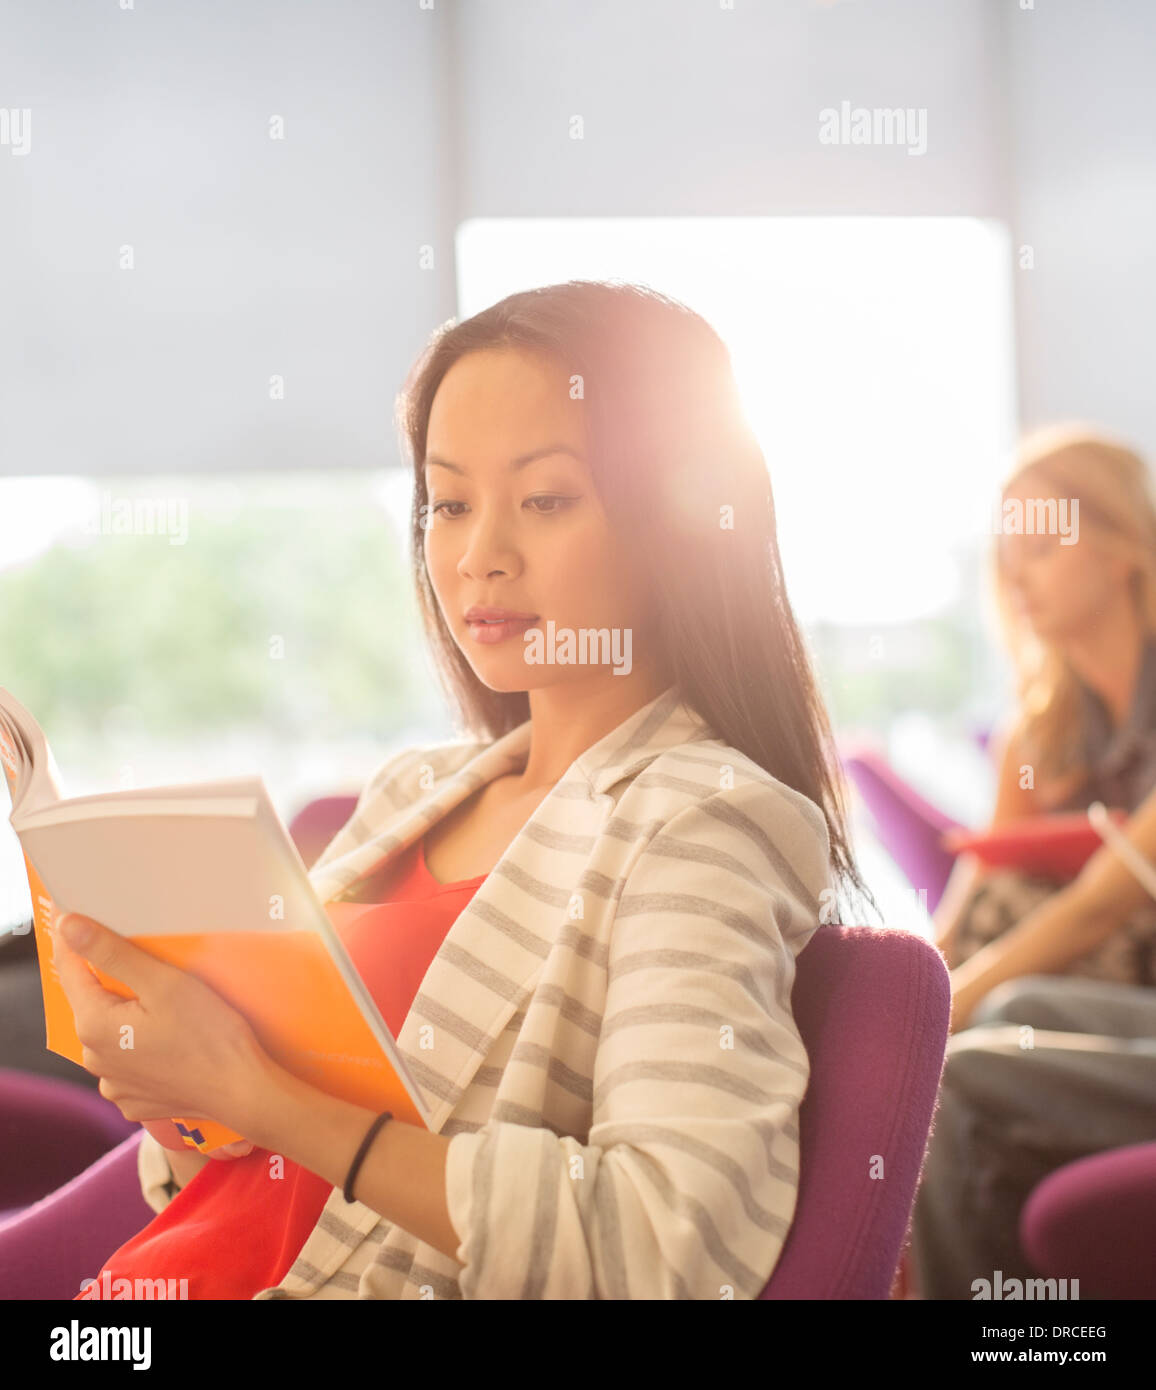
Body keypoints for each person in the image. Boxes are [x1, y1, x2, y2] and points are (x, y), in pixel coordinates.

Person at [40, 280, 874, 1300]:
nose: (479, 557)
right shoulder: (410, 794)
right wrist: (186, 1104)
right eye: (449, 502)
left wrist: (254, 1095)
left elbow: (662, 1247)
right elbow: (248, 1166)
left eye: (547, 498)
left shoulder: (701, 820)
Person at [912, 423, 1156, 1299]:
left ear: (1125, 548)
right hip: (1109, 992)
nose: (1016, 574)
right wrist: (913, 996)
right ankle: (1031, 1335)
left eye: (1044, 545)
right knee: (1012, 1002)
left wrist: (935, 1020)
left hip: (1131, 970)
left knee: (962, 1073)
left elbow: (1098, 906)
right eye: (1006, 553)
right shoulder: (1044, 727)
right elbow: (976, 890)